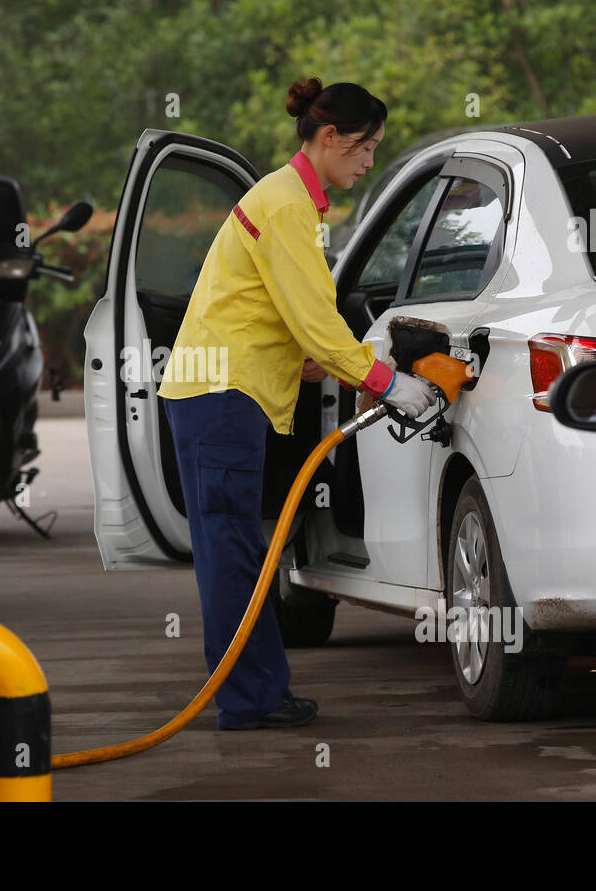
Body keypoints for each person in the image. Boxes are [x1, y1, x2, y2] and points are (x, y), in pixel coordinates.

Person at [157, 78, 435, 730]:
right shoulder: (285, 206)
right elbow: (316, 319)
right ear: (329, 137)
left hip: (222, 393)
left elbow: (283, 319)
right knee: (232, 555)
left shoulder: (291, 203)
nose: (368, 162)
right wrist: (392, 384)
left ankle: (256, 691)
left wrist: (317, 364)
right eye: (364, 148)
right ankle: (248, 701)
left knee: (239, 553)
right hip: (221, 395)